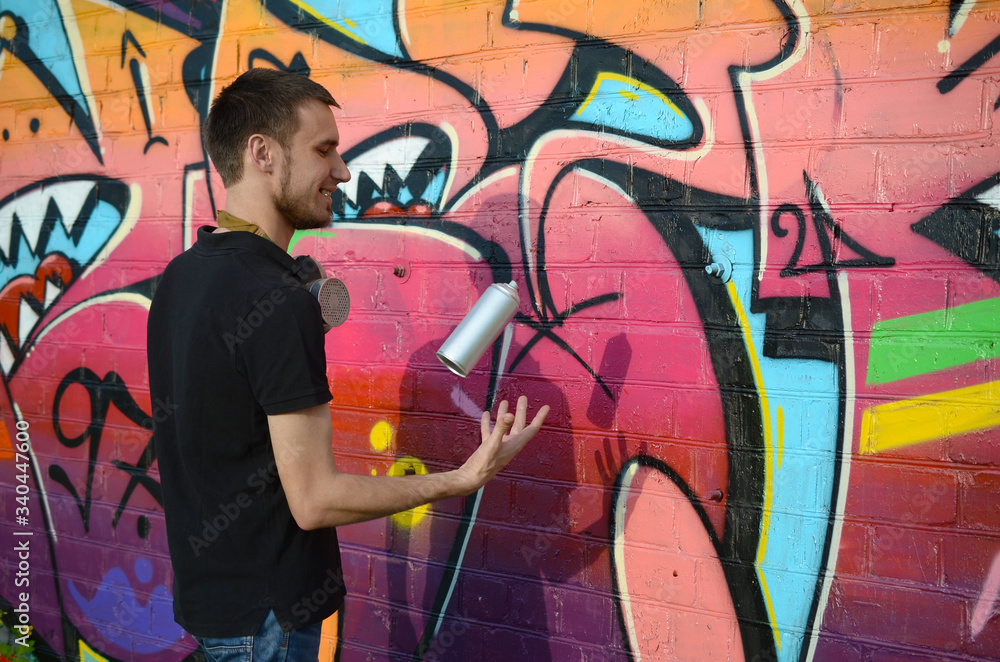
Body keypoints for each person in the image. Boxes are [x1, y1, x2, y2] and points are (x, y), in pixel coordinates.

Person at [146, 67, 549, 662]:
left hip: (214, 611)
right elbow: (315, 500)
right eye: (324, 150)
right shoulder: (275, 299)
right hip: (268, 626)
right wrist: (463, 478)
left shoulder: (180, 277)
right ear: (262, 153)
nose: (342, 170)